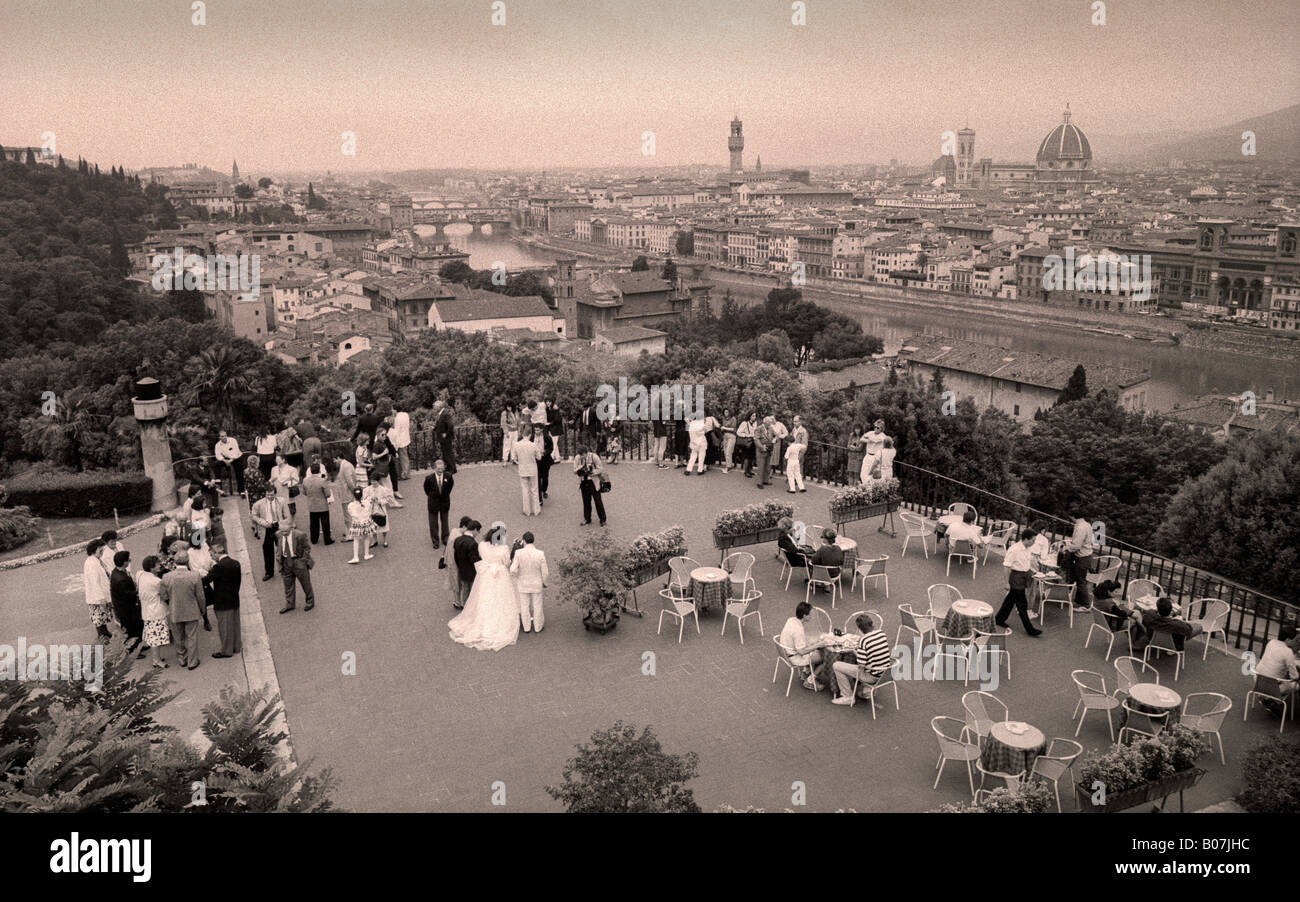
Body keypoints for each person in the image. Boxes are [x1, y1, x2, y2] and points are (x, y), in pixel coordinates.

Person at [449, 523, 523, 651]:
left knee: (485, 596)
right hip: (499, 575)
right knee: (500, 598)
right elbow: (507, 563)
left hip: (485, 575)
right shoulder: (503, 548)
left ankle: (482, 621)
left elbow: (480, 557)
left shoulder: (482, 545)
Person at [160, 548, 208, 670]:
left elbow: (163, 595)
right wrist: (203, 610)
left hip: (175, 610)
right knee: (191, 636)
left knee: (178, 636)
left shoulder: (166, 577)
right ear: (187, 561)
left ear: (175, 562)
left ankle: (182, 658)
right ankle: (192, 661)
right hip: (191, 610)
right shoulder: (194, 576)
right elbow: (200, 596)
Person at [832, 614, 893, 705]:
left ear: (860, 629)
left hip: (871, 676)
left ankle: (847, 696)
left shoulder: (864, 640)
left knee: (836, 665)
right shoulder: (882, 633)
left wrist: (853, 651)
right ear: (872, 624)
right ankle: (864, 690)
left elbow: (861, 664)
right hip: (885, 673)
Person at [996, 527, 1044, 637]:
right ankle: (1030, 629)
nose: (1034, 543)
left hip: (1023, 576)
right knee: (1022, 604)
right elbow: (1006, 566)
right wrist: (1006, 582)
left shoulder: (1027, 548)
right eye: (1033, 540)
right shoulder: (1014, 549)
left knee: (1010, 600)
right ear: (1026, 539)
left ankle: (999, 619)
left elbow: (1026, 563)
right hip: (1016, 577)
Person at [203, 542, 242, 658]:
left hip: (222, 601)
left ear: (216, 553)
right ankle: (236, 646)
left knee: (224, 627)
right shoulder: (236, 563)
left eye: (211, 555)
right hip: (234, 598)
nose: (211, 557)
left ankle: (226, 650)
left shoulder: (218, 567)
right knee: (235, 625)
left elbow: (205, 580)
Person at [779, 601, 827, 690]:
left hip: (786, 651)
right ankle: (810, 681)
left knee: (814, 648)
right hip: (795, 657)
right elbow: (801, 651)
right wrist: (818, 645)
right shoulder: (798, 629)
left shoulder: (791, 620)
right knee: (825, 658)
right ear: (805, 616)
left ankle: (806, 671)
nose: (812, 616)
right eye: (810, 614)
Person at [510, 531, 549, 633]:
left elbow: (512, 569)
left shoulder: (518, 553)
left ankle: (527, 627)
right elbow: (545, 572)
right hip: (536, 583)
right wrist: (544, 582)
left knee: (524, 605)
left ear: (524, 541)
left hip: (523, 583)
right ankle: (538, 626)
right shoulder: (540, 554)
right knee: (537, 605)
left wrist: (518, 576)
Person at [1256, 625, 1299, 715]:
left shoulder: (1271, 642)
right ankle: (1272, 700)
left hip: (1258, 681)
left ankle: (1267, 698)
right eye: (1294, 640)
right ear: (1287, 640)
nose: (1295, 641)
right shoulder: (1288, 652)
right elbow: (1294, 676)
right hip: (1272, 687)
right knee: (1296, 685)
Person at [136, 555, 170, 669]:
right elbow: (165, 595)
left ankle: (157, 658)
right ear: (151, 568)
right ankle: (156, 660)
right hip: (156, 611)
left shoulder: (140, 575)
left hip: (146, 610)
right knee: (156, 637)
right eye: (157, 564)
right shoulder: (157, 581)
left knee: (151, 635)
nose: (160, 565)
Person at [109, 550, 145, 656]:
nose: (129, 561)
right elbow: (128, 595)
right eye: (128, 560)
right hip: (127, 610)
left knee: (135, 628)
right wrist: (137, 591)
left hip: (124, 608)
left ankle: (138, 646)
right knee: (132, 630)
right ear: (124, 562)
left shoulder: (116, 572)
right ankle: (133, 651)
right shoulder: (121, 580)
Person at [251, 487, 289, 581]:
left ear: (275, 494)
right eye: (268, 494)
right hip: (266, 529)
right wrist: (262, 522)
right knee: (268, 551)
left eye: (272, 494)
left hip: (278, 527)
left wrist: (283, 524)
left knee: (282, 549)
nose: (269, 496)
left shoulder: (282, 501)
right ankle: (269, 572)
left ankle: (285, 569)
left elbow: (287, 515)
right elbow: (254, 516)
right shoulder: (258, 504)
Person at [1137, 597, 1202, 652]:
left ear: (1157, 609)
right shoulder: (1177, 625)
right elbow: (1188, 631)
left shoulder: (1149, 616)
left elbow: (1149, 612)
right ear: (1170, 611)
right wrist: (1180, 621)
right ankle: (1172, 650)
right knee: (1198, 626)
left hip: (1153, 640)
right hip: (1174, 644)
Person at [277, 519, 315, 613]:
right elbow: (279, 548)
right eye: (282, 531)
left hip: (298, 561)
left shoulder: (300, 535)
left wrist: (302, 561)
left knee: (305, 583)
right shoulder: (278, 535)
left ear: (291, 528)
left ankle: (310, 602)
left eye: (286, 531)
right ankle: (290, 604)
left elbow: (307, 548)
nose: (284, 533)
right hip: (286, 562)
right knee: (288, 585)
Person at [83, 540, 114, 640]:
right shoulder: (91, 563)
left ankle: (105, 633)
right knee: (99, 618)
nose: (102, 552)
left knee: (102, 618)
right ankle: (103, 637)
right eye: (100, 550)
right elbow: (94, 582)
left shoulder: (97, 560)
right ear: (95, 550)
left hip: (101, 595)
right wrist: (101, 598)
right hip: (97, 598)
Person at [423, 459, 453, 557]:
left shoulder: (448, 476)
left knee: (445, 522)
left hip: (444, 503)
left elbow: (449, 487)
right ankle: (435, 541)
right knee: (433, 523)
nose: (440, 470)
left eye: (441, 468)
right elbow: (426, 489)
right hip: (433, 504)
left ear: (444, 467)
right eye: (438, 468)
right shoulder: (429, 478)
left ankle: (445, 538)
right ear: (434, 468)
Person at [301, 457, 334, 545]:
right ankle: (327, 540)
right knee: (325, 523)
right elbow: (328, 494)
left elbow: (304, 492)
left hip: (312, 504)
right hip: (322, 505)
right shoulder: (322, 481)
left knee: (313, 523)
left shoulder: (305, 481)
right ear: (319, 470)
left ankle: (314, 539)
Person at [1066, 516, 1096, 610]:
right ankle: (1079, 601)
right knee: (1080, 579)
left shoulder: (1080, 527)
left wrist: (1066, 548)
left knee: (1081, 581)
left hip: (1082, 557)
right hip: (1086, 555)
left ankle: (1086, 605)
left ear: (1073, 516)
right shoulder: (1087, 525)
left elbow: (1076, 546)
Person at [511, 427, 543, 516]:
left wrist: (519, 463)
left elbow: (513, 458)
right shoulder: (533, 445)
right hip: (532, 469)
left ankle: (527, 511)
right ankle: (536, 510)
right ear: (530, 435)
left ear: (522, 434)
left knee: (525, 490)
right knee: (534, 490)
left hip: (522, 469)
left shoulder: (516, 445)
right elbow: (539, 457)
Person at [574, 444, 607, 527]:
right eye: (580, 455)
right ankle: (587, 518)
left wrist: (591, 472)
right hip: (583, 481)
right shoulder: (577, 458)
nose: (581, 456)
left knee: (598, 501)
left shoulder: (594, 457)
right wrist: (580, 468)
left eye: (582, 454)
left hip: (593, 481)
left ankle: (602, 519)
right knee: (586, 501)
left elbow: (601, 469)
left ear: (586, 452)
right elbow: (574, 470)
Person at [452, 520, 483, 609]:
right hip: (471, 571)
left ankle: (464, 606)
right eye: (478, 531)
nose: (478, 533)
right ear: (474, 530)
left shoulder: (458, 540)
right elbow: (474, 560)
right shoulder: (473, 544)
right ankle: (470, 608)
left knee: (465, 589)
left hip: (462, 569)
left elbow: (456, 557)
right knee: (473, 590)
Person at [346, 488, 376, 564]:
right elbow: (369, 511)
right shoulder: (367, 503)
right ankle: (367, 554)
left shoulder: (351, 505)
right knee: (366, 538)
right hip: (366, 523)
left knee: (356, 540)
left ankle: (355, 557)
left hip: (357, 524)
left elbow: (351, 514)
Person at [363, 478, 395, 549]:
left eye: (375, 481)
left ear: (378, 481)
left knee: (383, 525)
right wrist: (370, 499)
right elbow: (364, 498)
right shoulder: (367, 489)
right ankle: (375, 540)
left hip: (381, 509)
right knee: (373, 525)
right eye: (372, 481)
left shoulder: (383, 489)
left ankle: (385, 540)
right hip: (372, 509)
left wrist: (380, 501)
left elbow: (387, 499)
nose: (373, 482)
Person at [270, 452, 300, 519]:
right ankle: (281, 521)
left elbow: (296, 480)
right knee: (279, 507)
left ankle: (292, 522)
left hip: (287, 491)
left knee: (290, 507)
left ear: (283, 460)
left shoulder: (292, 469)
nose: (276, 461)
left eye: (278, 460)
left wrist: (288, 483)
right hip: (277, 491)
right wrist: (271, 482)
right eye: (276, 460)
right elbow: (271, 479)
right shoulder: (274, 469)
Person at [214, 430, 244, 495]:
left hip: (236, 457)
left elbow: (236, 451)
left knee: (239, 470)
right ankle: (218, 481)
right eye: (222, 436)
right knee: (217, 463)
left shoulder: (233, 440)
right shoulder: (217, 445)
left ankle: (241, 490)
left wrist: (231, 460)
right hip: (226, 459)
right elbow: (218, 455)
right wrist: (224, 460)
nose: (224, 437)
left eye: (225, 436)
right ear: (219, 437)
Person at [433, 400, 457, 473]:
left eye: (434, 407)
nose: (434, 409)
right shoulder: (441, 414)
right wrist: (434, 429)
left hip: (446, 438)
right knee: (445, 453)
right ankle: (449, 468)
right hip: (443, 438)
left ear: (439, 407)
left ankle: (453, 469)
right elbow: (439, 424)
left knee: (448, 453)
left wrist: (446, 433)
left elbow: (450, 425)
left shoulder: (445, 414)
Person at [390, 405, 412, 486]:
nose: (392, 411)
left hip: (400, 440)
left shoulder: (397, 419)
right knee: (404, 457)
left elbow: (397, 431)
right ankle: (405, 473)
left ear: (395, 410)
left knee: (400, 457)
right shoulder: (405, 415)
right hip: (406, 438)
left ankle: (403, 474)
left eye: (392, 409)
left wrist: (395, 443)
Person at [535, 425, 555, 505]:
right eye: (535, 430)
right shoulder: (532, 437)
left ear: (542, 430)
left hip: (545, 460)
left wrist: (545, 452)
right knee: (537, 476)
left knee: (545, 476)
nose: (536, 432)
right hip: (536, 460)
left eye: (538, 430)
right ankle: (539, 494)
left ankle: (544, 490)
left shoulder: (547, 437)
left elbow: (551, 448)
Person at [753, 416, 774, 488]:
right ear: (765, 422)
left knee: (768, 466)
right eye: (769, 423)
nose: (770, 424)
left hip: (769, 449)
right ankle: (759, 483)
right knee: (761, 467)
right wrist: (762, 447)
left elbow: (774, 436)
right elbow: (756, 439)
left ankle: (766, 480)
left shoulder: (771, 428)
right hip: (761, 450)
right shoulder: (759, 428)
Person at [736, 413, 756, 477]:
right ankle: (746, 471)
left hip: (752, 441)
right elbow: (738, 432)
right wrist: (746, 435)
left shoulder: (755, 423)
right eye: (753, 416)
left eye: (755, 416)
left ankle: (749, 471)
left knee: (751, 457)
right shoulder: (744, 423)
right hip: (747, 442)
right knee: (747, 457)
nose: (754, 417)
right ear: (749, 416)